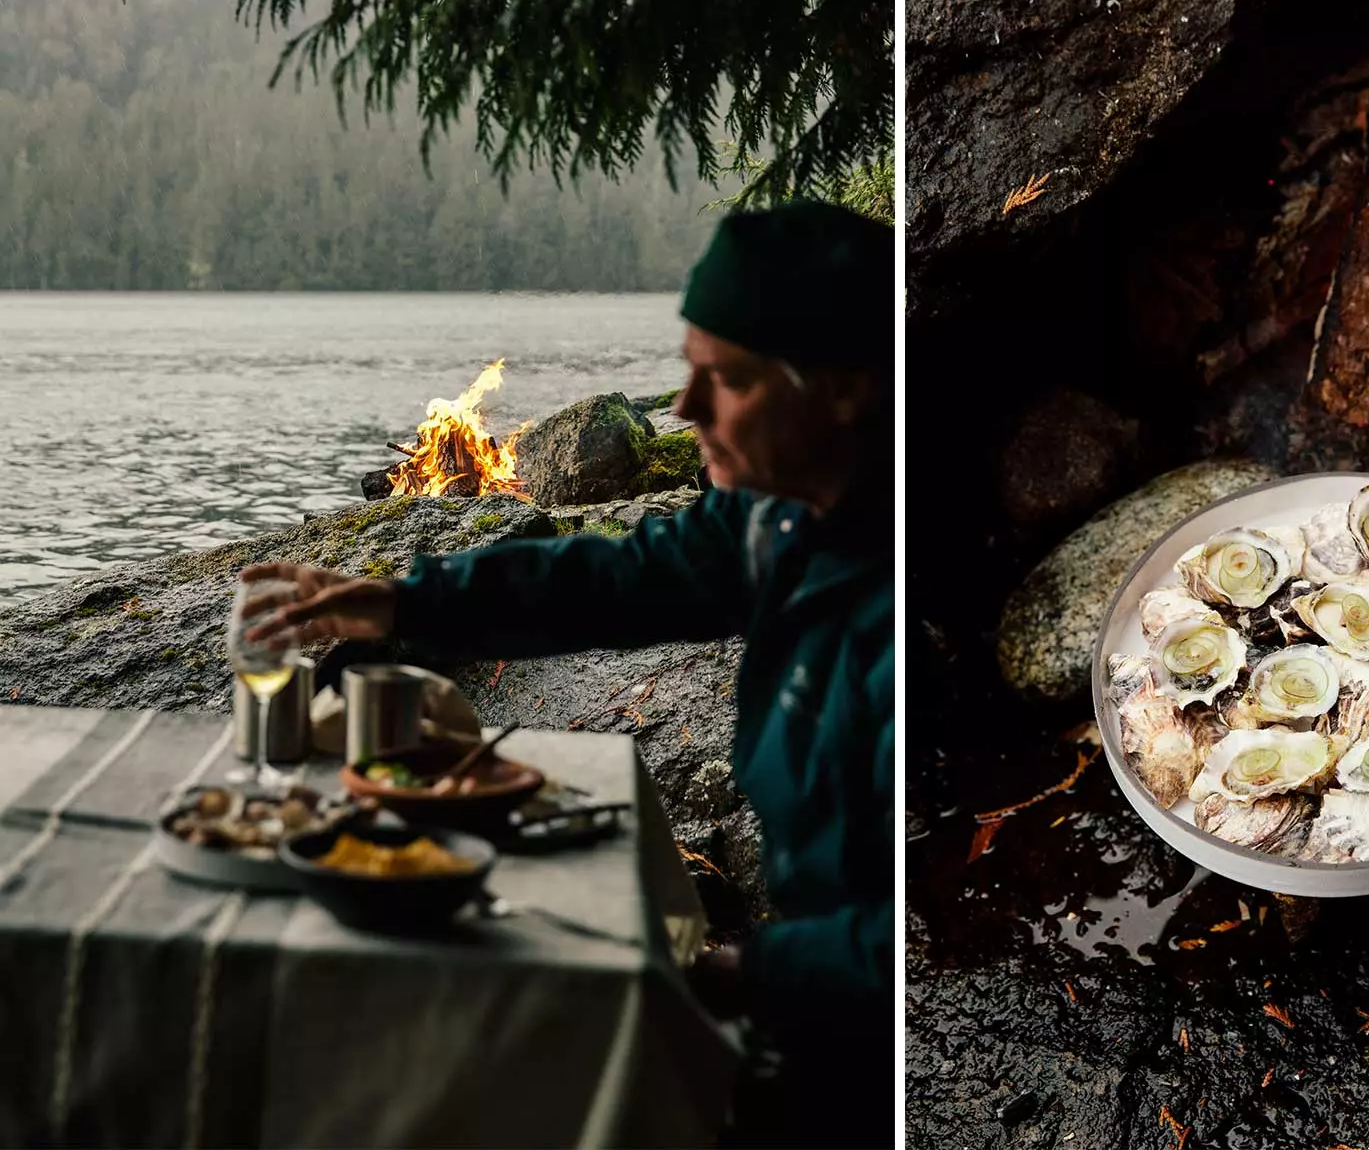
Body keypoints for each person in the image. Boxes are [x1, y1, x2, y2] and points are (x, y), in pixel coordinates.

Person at [241, 200, 894, 1147]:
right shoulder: (774, 518)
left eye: (726, 379)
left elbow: (908, 945)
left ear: (839, 388)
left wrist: (739, 974)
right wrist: (408, 602)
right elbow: (617, 576)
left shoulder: (896, 606)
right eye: (688, 370)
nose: (684, 410)